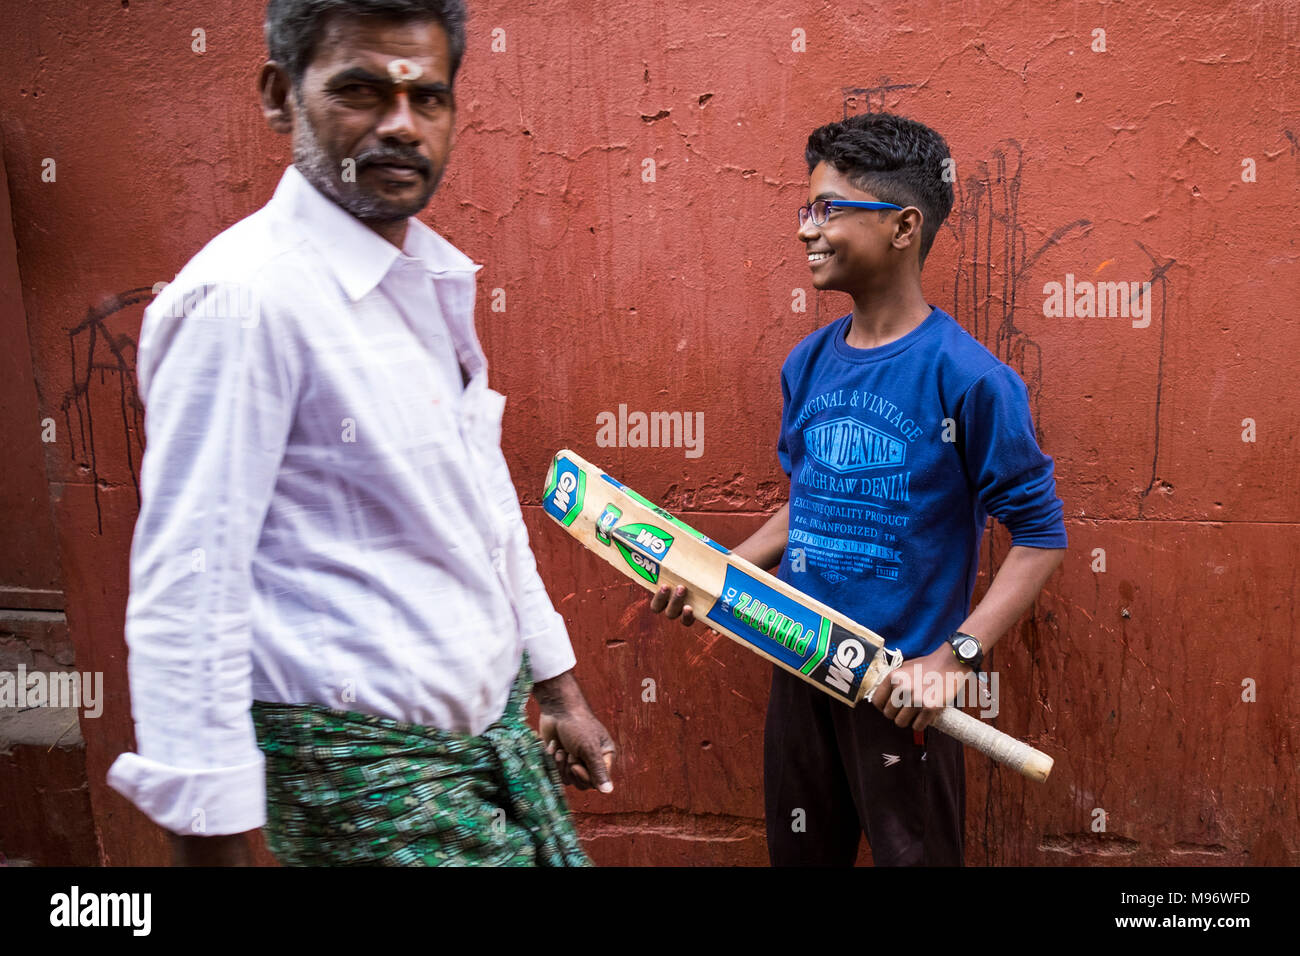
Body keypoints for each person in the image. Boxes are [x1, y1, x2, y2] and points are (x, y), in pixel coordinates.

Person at [107, 0, 614, 867]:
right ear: (279, 96)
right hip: (365, 788)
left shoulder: (426, 276)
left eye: (429, 99)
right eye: (360, 91)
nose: (402, 126)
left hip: (484, 755)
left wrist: (556, 684)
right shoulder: (242, 301)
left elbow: (481, 504)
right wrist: (215, 850)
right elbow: (189, 599)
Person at [649, 112, 1066, 866]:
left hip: (899, 695)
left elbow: (1041, 537)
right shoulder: (807, 364)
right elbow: (805, 504)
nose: (807, 229)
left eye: (830, 210)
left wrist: (953, 660)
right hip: (799, 667)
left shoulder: (968, 379)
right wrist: (717, 570)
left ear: (903, 226)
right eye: (807, 210)